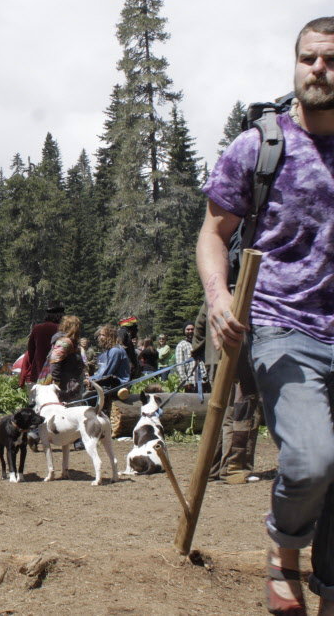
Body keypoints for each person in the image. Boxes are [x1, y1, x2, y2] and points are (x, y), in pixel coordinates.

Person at [197, 18, 334, 613]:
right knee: (311, 458)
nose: (319, 71)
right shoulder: (260, 145)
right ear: (296, 63)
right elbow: (213, 232)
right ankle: (284, 548)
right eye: (310, 60)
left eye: (330, 62)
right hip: (283, 325)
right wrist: (219, 298)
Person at [196, 304, 262, 485]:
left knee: (220, 413)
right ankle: (234, 469)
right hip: (241, 362)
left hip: (215, 360)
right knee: (242, 414)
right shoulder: (246, 293)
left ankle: (212, 468)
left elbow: (201, 325)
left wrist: (199, 352)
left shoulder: (215, 293)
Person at [18, 303, 64, 388]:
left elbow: (31, 350)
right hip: (56, 372)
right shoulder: (62, 329)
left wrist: (34, 363)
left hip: (38, 370)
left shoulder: (37, 328)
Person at [44, 315, 87, 403]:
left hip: (70, 387)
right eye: (78, 326)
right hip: (65, 389)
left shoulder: (72, 343)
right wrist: (57, 386)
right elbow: (54, 365)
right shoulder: (64, 342)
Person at [89, 324, 132, 394]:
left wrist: (91, 379)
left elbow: (106, 373)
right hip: (107, 385)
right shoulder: (107, 352)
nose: (100, 338)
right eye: (99, 335)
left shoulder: (115, 351)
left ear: (110, 336)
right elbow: (100, 372)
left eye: (103, 335)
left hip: (117, 388)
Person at [174, 322, 204, 392]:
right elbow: (180, 365)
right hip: (190, 381)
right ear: (184, 331)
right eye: (188, 329)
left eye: (192, 329)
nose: (190, 331)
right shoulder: (181, 345)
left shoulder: (200, 344)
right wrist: (185, 381)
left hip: (203, 379)